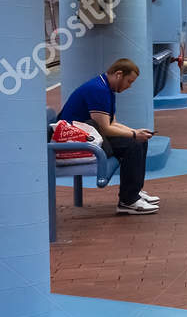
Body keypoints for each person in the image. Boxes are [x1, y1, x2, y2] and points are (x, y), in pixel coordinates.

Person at [58, 58, 159, 216]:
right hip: (75, 141)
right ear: (119, 74)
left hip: (89, 136)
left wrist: (136, 131)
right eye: (129, 81)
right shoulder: (98, 90)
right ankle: (128, 201)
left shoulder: (106, 87)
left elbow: (112, 123)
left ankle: (134, 192)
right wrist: (133, 135)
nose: (129, 86)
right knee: (133, 145)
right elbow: (106, 128)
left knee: (139, 141)